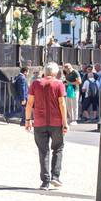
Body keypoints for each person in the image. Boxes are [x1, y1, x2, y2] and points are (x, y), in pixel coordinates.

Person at [25, 62, 68, 190]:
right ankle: (55, 176)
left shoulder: (36, 84)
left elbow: (29, 103)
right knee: (58, 148)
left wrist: (28, 120)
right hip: (56, 122)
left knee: (43, 151)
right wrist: (65, 123)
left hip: (39, 122)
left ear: (45, 72)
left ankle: (45, 182)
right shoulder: (59, 84)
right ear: (55, 73)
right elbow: (62, 104)